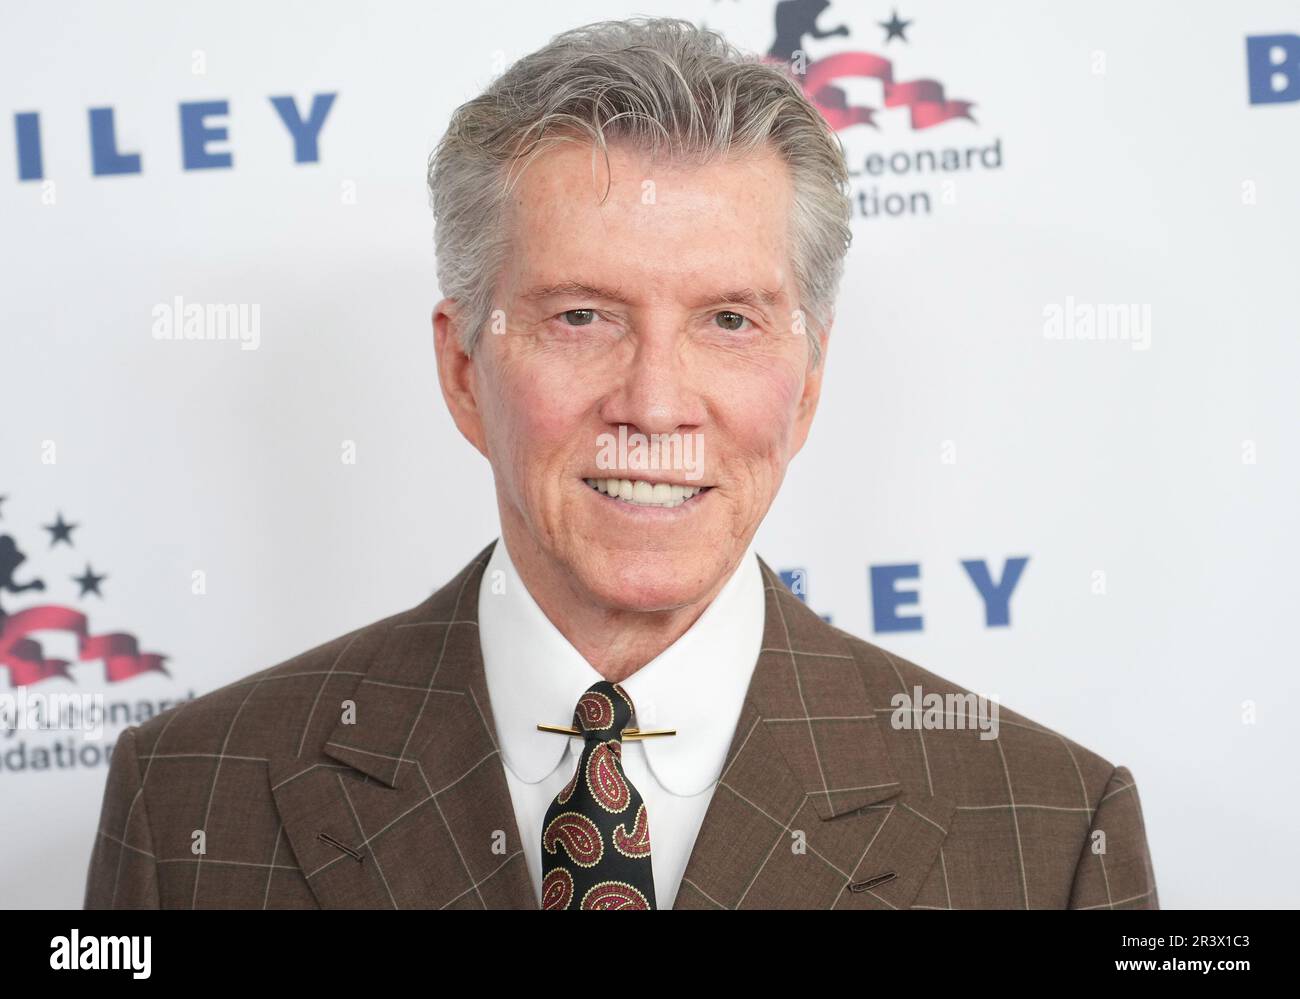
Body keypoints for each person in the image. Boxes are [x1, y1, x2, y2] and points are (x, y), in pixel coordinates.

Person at [84, 16, 1157, 910]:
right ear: (463, 367)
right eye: (583, 315)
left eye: (729, 320)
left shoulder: (1048, 829)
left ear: (809, 382)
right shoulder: (189, 794)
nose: (653, 403)